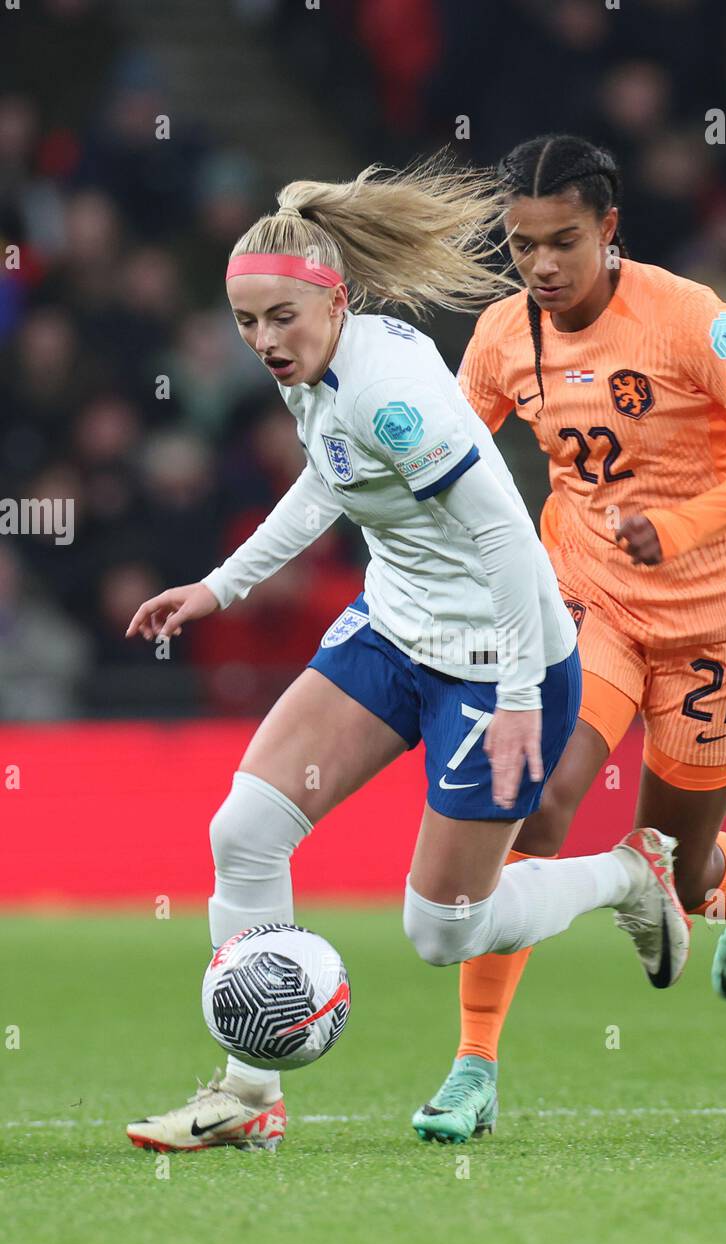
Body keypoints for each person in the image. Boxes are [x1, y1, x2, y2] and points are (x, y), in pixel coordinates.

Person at [123, 158, 690, 1152]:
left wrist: (520, 696)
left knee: (442, 932)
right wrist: (220, 585)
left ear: (331, 301)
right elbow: (328, 480)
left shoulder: (393, 396)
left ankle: (632, 876)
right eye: (247, 322)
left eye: (279, 319)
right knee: (243, 833)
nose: (263, 341)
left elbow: (509, 540)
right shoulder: (326, 369)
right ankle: (251, 1094)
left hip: (495, 658)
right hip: (394, 630)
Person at [412, 135, 726, 1144]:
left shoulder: (689, 317)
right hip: (589, 606)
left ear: (608, 230)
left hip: (724, 627)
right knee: (537, 808)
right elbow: (448, 460)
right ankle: (474, 1065)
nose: (541, 266)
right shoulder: (506, 335)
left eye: (562, 243)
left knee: (681, 876)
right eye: (521, 247)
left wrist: (682, 527)